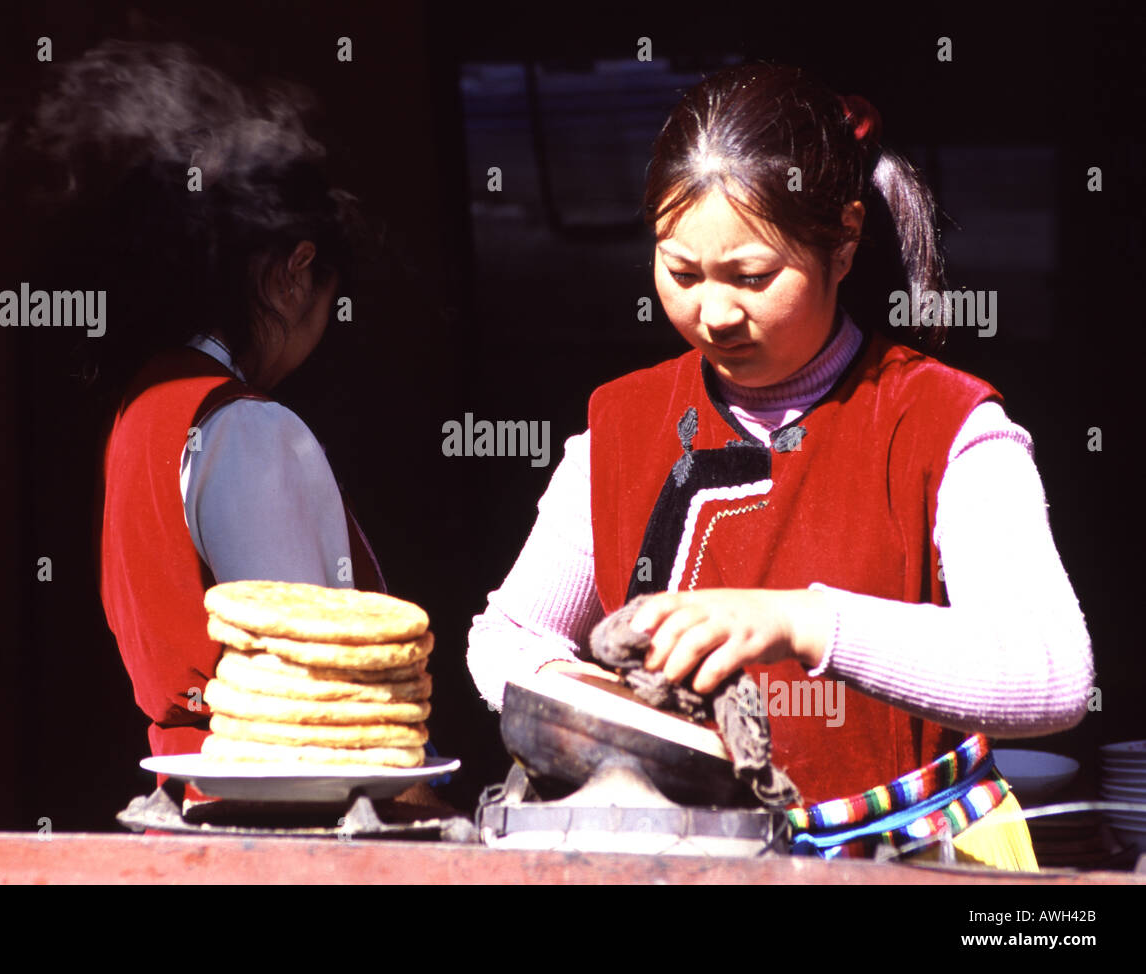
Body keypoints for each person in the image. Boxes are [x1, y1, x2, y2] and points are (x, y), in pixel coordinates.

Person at [467, 63, 1093, 868]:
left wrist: (803, 623)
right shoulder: (620, 428)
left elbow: (1053, 673)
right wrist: (603, 710)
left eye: (753, 277)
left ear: (844, 238)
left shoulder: (948, 428)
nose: (714, 313)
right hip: (689, 863)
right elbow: (510, 636)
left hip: (925, 862)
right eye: (681, 272)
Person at [56, 41, 381, 764]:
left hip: (185, 791)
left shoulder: (141, 410)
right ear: (296, 272)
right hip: (288, 803)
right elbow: (307, 676)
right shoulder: (248, 426)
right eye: (331, 295)